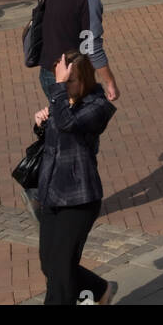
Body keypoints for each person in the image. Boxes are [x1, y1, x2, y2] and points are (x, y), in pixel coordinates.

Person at [36, 49, 117, 306]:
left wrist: (58, 93)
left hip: (79, 198)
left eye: (69, 80)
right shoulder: (63, 101)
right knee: (50, 264)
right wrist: (40, 122)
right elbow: (55, 134)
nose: (63, 85)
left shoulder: (98, 107)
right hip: (51, 193)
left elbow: (69, 127)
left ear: (85, 80)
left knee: (60, 269)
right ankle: (99, 289)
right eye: (62, 80)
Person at [39, 0, 120, 103]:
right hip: (71, 78)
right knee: (77, 125)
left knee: (61, 123)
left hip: (47, 72)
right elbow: (93, 47)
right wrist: (110, 82)